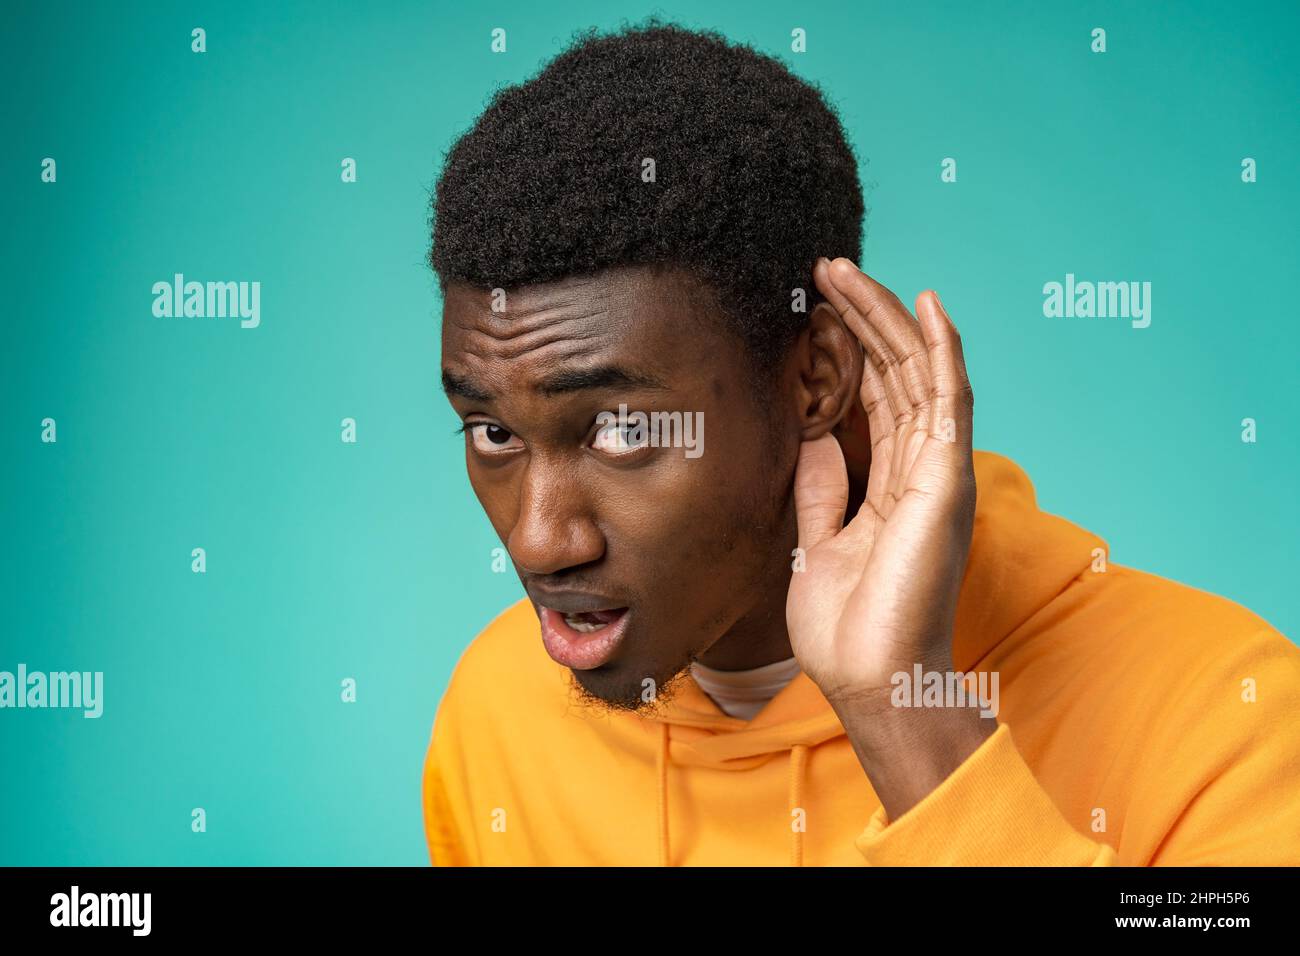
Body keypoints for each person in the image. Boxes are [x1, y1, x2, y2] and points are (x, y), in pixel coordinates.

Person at [422, 21, 1300, 866]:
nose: (539, 541)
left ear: (817, 378)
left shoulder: (1229, 715)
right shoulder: (496, 711)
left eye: (622, 430)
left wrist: (904, 715)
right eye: (493, 432)